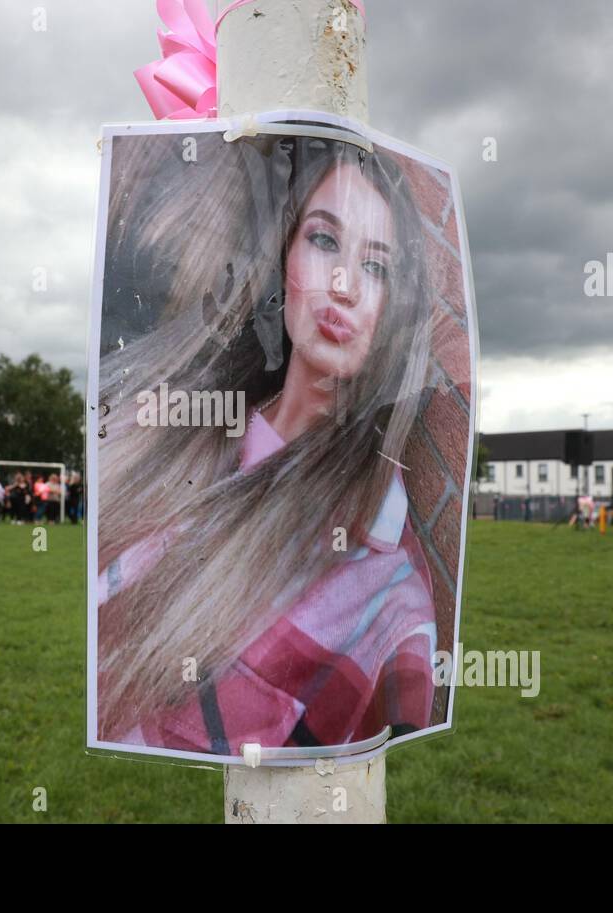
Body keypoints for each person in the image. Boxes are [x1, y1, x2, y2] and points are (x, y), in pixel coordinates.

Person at [95, 135, 439, 753]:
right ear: (285, 257)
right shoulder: (175, 419)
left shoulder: (386, 595)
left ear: (395, 308)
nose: (342, 286)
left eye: (376, 266)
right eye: (325, 240)